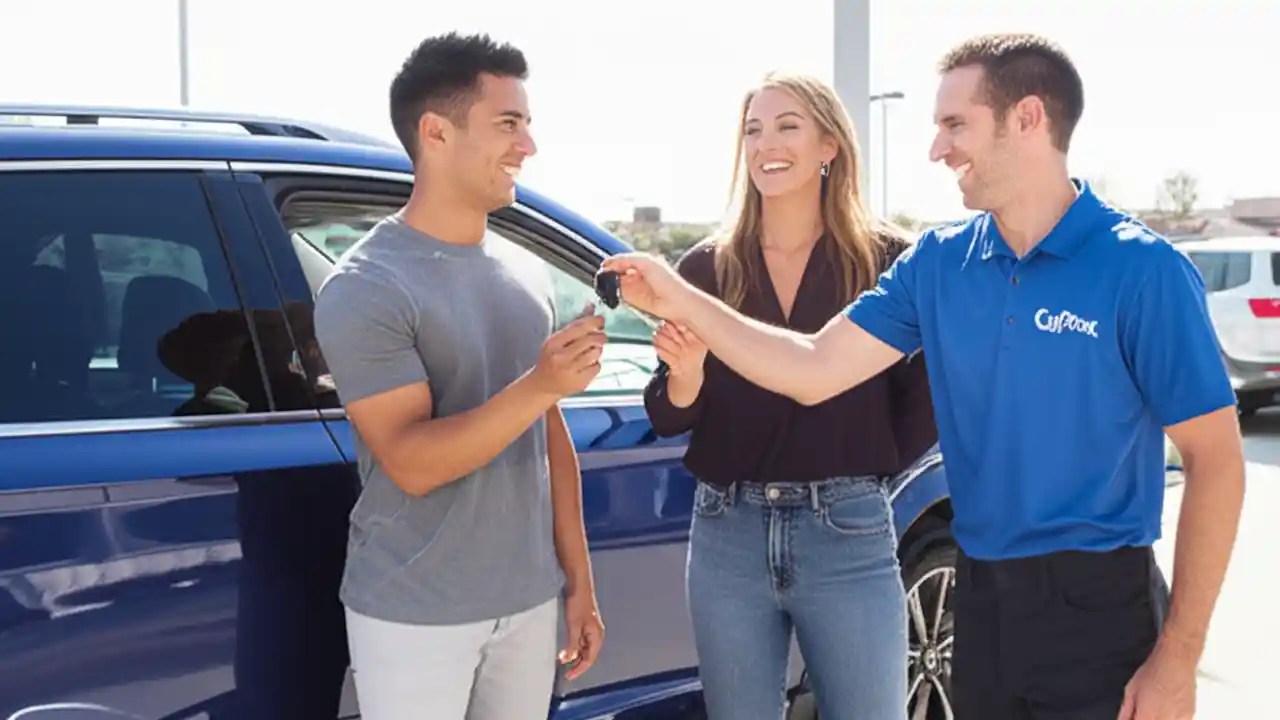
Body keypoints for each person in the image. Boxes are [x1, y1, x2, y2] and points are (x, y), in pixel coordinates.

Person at [605, 32, 1244, 720]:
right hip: (979, 598)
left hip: (1100, 607)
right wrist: (677, 295)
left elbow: (1216, 462)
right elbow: (814, 368)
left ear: (1027, 119)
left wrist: (1178, 656)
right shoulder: (937, 264)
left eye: (954, 125)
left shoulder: (1142, 272)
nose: (937, 149)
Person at [313, 32, 606, 720]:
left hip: (529, 602)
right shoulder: (365, 286)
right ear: (436, 132)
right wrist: (540, 384)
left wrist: (579, 581)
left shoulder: (525, 270)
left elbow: (548, 435)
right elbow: (412, 462)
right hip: (416, 613)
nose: (527, 146)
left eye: (528, 125)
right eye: (508, 124)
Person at [641, 72, 935, 720]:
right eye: (753, 129)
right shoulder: (705, 270)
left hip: (848, 534)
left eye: (787, 126)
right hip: (727, 537)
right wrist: (686, 376)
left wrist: (863, 467)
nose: (765, 143)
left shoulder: (887, 261)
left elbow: (928, 396)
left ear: (830, 145)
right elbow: (667, 411)